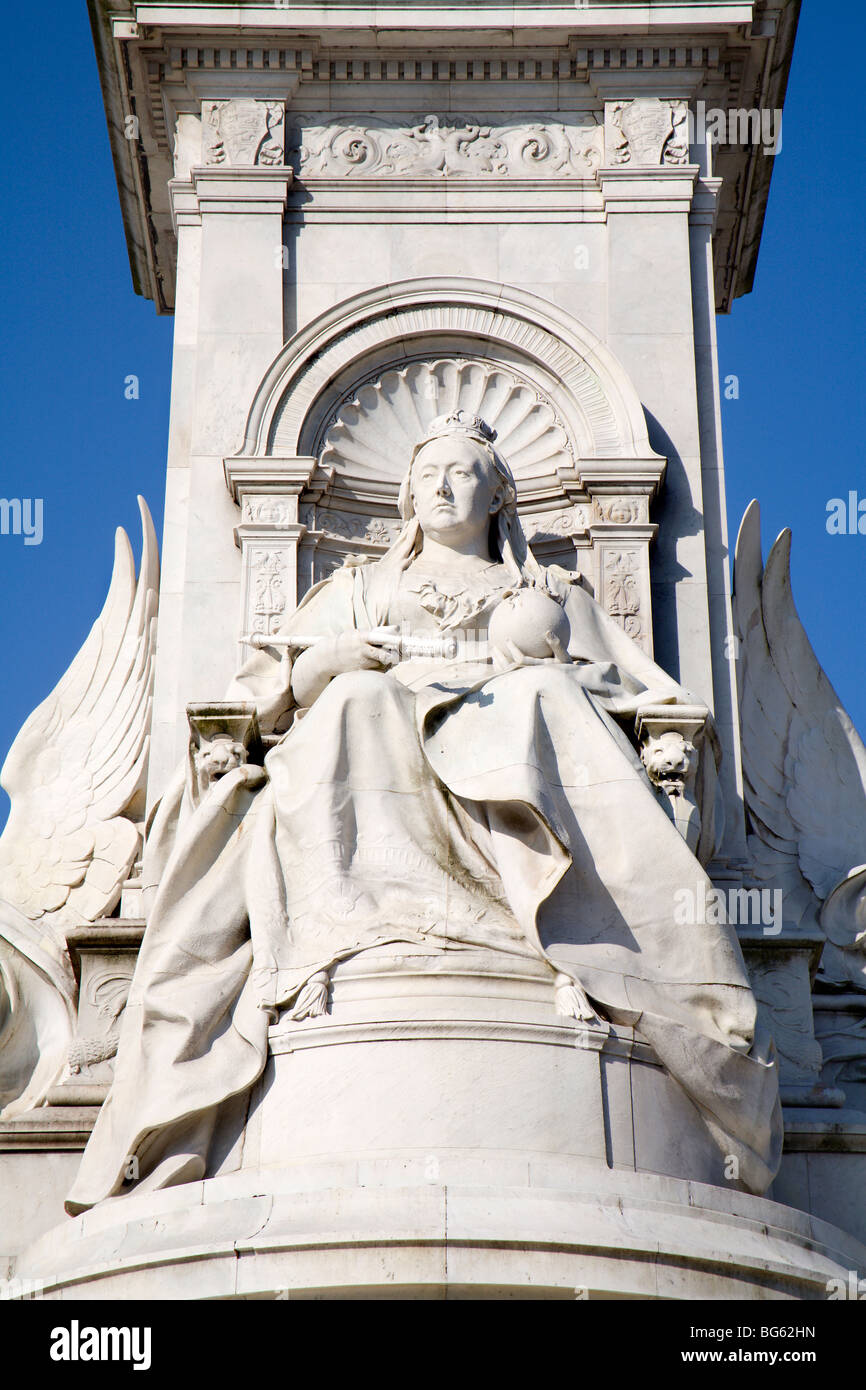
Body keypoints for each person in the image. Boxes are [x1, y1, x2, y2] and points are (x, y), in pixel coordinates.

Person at [65, 411, 781, 1213]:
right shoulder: (359, 588)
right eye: (428, 473)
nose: (442, 486)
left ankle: (582, 943)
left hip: (514, 750)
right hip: (380, 746)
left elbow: (645, 694)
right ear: (405, 494)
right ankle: (335, 946)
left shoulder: (547, 593)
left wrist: (544, 666)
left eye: (463, 471)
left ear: (500, 494)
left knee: (543, 698)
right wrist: (326, 665)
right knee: (356, 703)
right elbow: (262, 693)